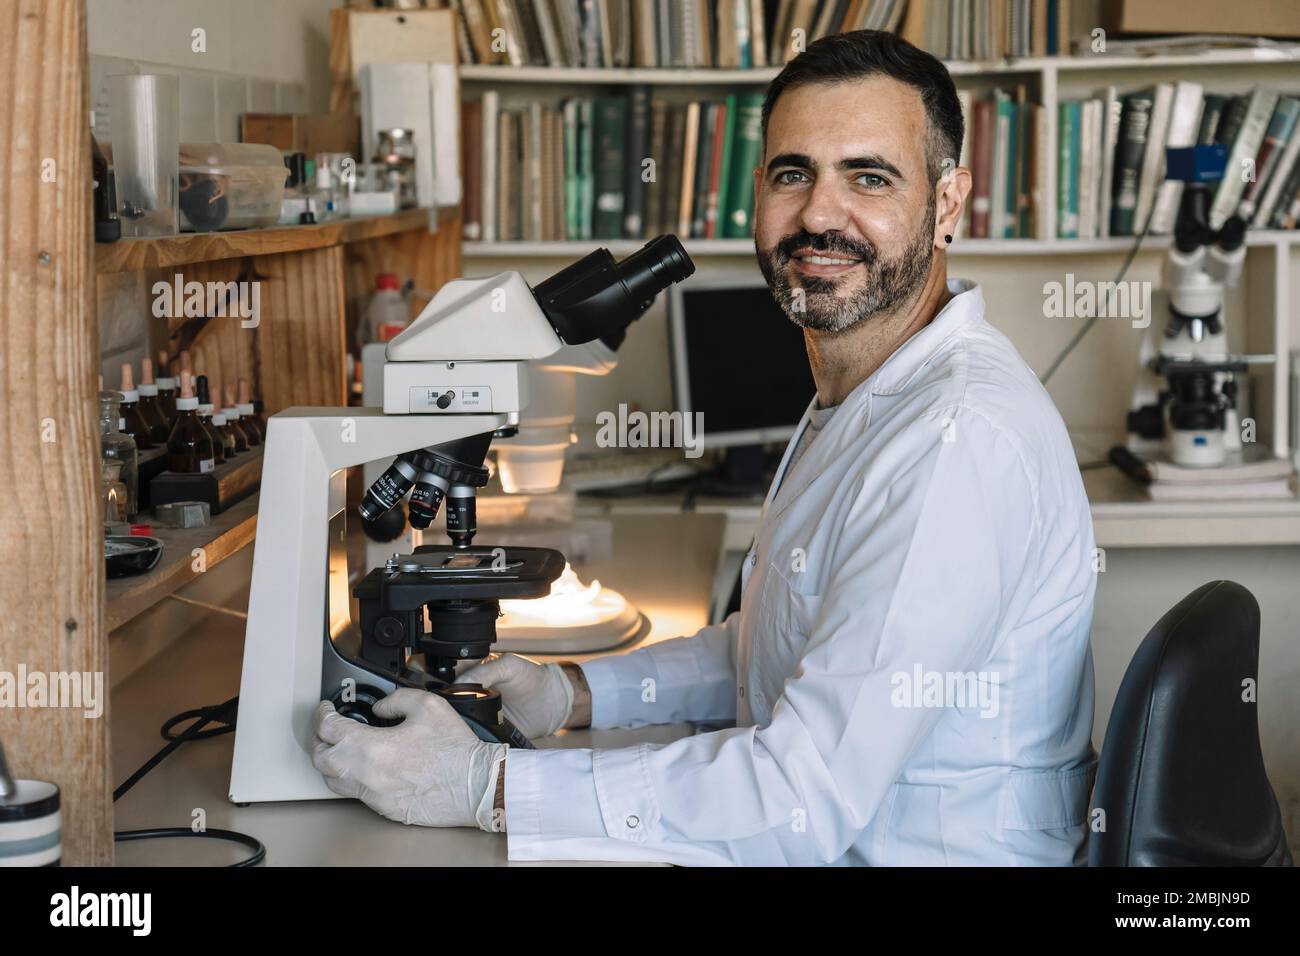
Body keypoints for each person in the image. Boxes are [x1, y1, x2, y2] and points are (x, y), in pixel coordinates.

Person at [311, 29, 1098, 865]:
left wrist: (488, 787)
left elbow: (801, 799)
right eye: (794, 174)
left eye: (869, 176)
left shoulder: (956, 443)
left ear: (947, 203)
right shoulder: (868, 396)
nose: (820, 215)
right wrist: (568, 694)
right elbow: (778, 648)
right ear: (759, 192)